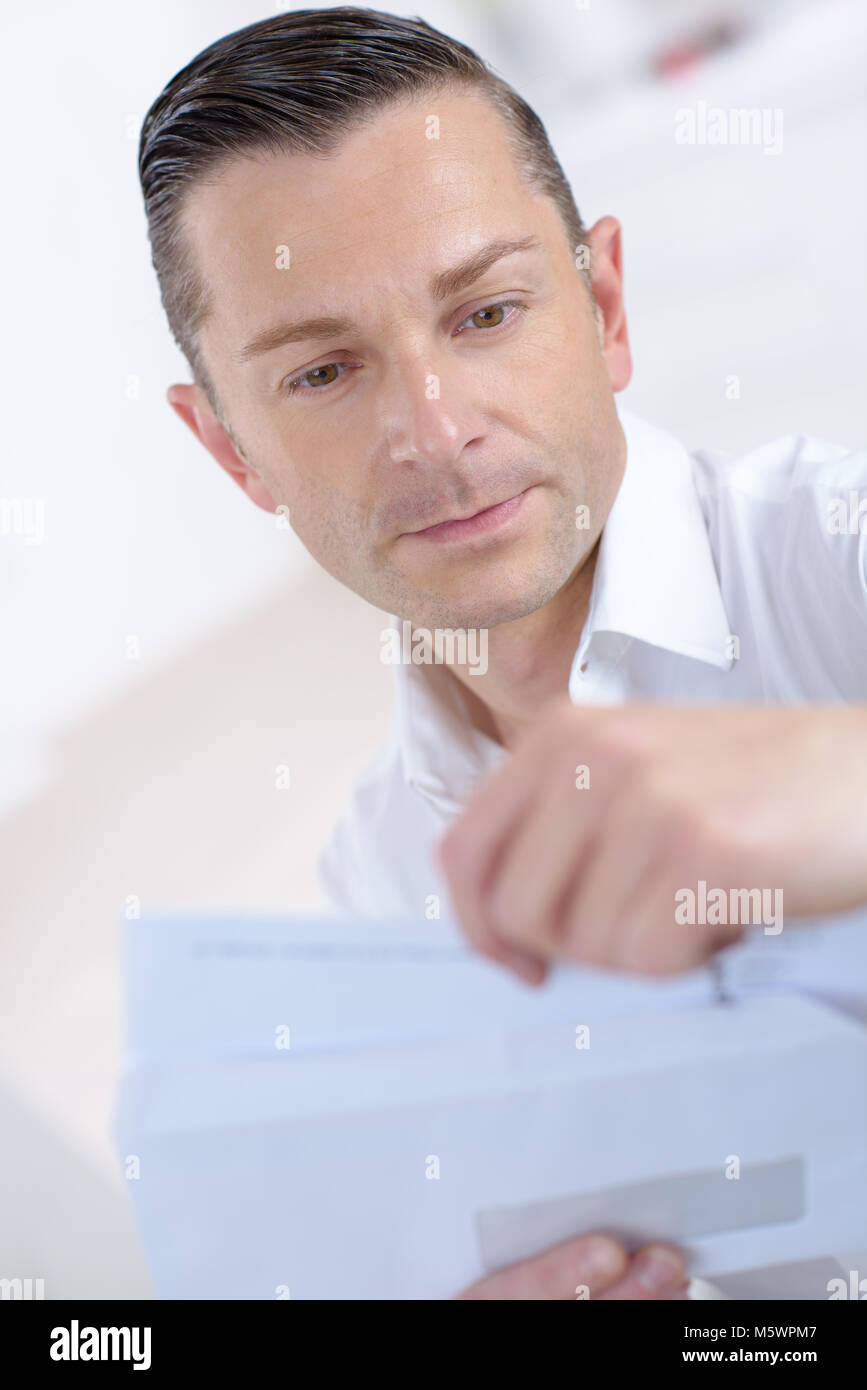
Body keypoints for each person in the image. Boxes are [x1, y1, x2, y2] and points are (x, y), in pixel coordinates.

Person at [139, 6, 867, 1300]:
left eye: (485, 313)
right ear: (230, 450)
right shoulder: (380, 875)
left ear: (603, 304)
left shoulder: (834, 554)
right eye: (322, 373)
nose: (434, 428)